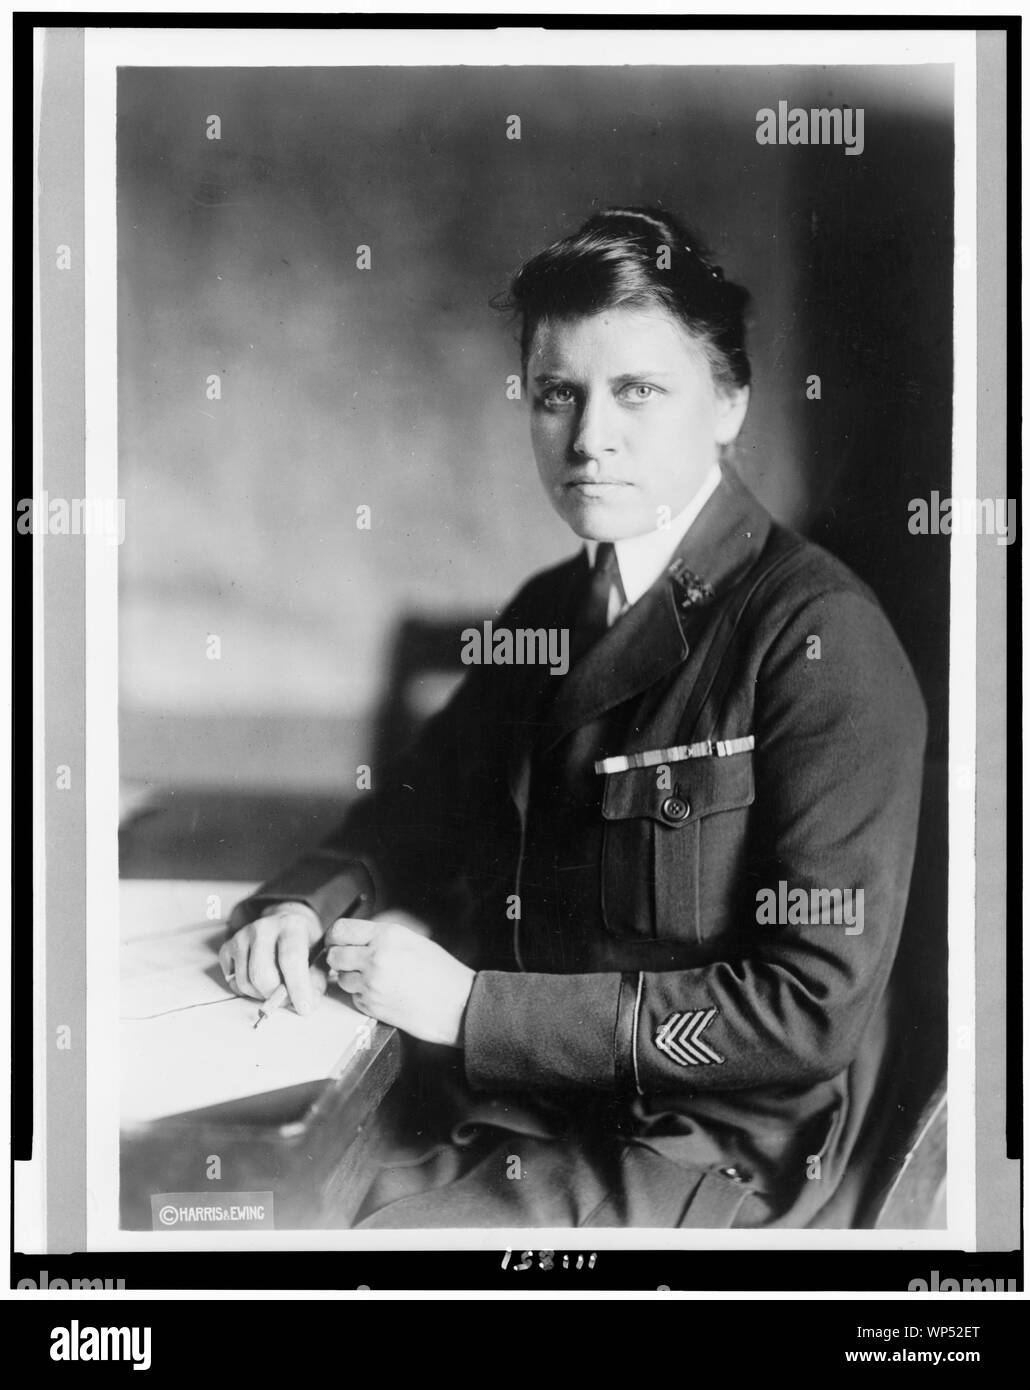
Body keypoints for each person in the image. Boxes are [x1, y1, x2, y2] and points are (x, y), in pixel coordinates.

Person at [220, 206, 928, 1228]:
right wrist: (305, 904)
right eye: (557, 394)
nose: (589, 437)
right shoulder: (553, 608)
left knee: (317, 1247)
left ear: (729, 404)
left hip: (713, 1148)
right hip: (526, 1109)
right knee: (260, 1210)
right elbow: (412, 814)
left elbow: (804, 1012)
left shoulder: (818, 640)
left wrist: (473, 1009)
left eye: (638, 391)